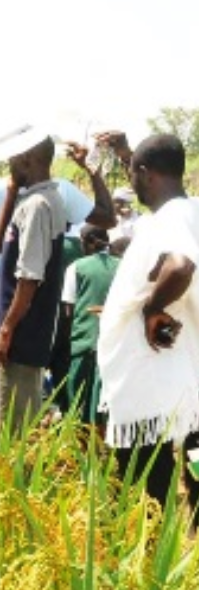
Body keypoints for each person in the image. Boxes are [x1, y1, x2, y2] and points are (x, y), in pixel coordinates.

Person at [96, 133, 199, 520]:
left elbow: (180, 266)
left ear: (144, 173)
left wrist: (151, 309)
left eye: (134, 172)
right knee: (193, 461)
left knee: (145, 489)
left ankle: (153, 566)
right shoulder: (189, 212)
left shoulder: (169, 220)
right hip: (182, 379)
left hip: (149, 384)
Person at [0, 131, 68, 434]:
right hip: (19, 336)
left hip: (21, 337)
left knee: (12, 430)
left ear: (28, 159)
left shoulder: (38, 205)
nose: (9, 162)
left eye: (13, 156)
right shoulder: (35, 200)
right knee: (11, 420)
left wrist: (5, 331)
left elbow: (29, 276)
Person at [61, 224, 118, 429]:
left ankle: (83, 447)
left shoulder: (77, 267)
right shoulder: (122, 265)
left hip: (84, 342)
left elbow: (69, 309)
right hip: (114, 344)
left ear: (90, 242)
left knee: (79, 399)